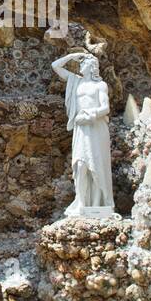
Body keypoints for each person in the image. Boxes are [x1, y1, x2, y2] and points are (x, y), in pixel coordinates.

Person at [51, 51, 114, 216]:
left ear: (92, 66)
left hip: (95, 127)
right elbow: (55, 66)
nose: (80, 65)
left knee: (96, 163)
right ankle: (81, 201)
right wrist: (72, 56)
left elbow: (105, 108)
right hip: (81, 128)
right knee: (80, 165)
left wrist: (89, 115)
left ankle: (100, 204)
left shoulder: (100, 85)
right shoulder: (75, 81)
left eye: (84, 63)